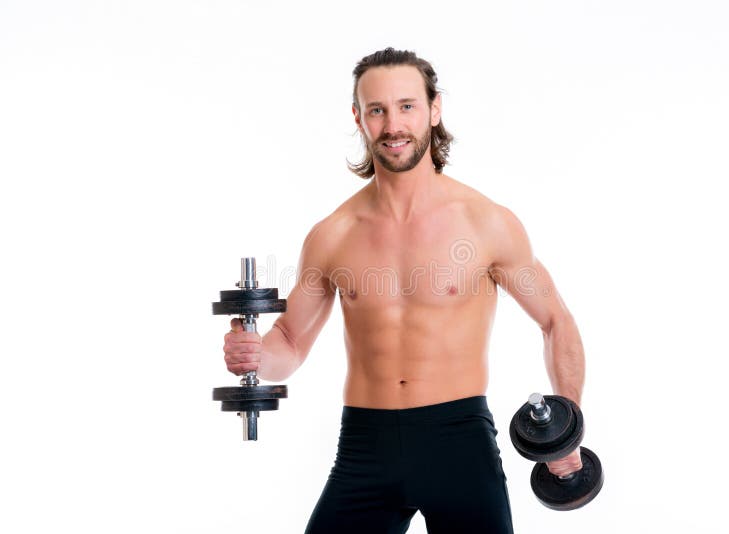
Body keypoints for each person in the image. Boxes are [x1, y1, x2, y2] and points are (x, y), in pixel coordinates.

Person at [223, 48, 586, 534]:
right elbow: (288, 342)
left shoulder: (486, 224)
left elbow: (554, 321)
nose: (393, 124)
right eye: (377, 110)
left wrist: (566, 430)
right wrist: (254, 357)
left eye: (407, 106)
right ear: (359, 117)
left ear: (435, 110)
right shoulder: (332, 234)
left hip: (459, 444)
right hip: (363, 446)